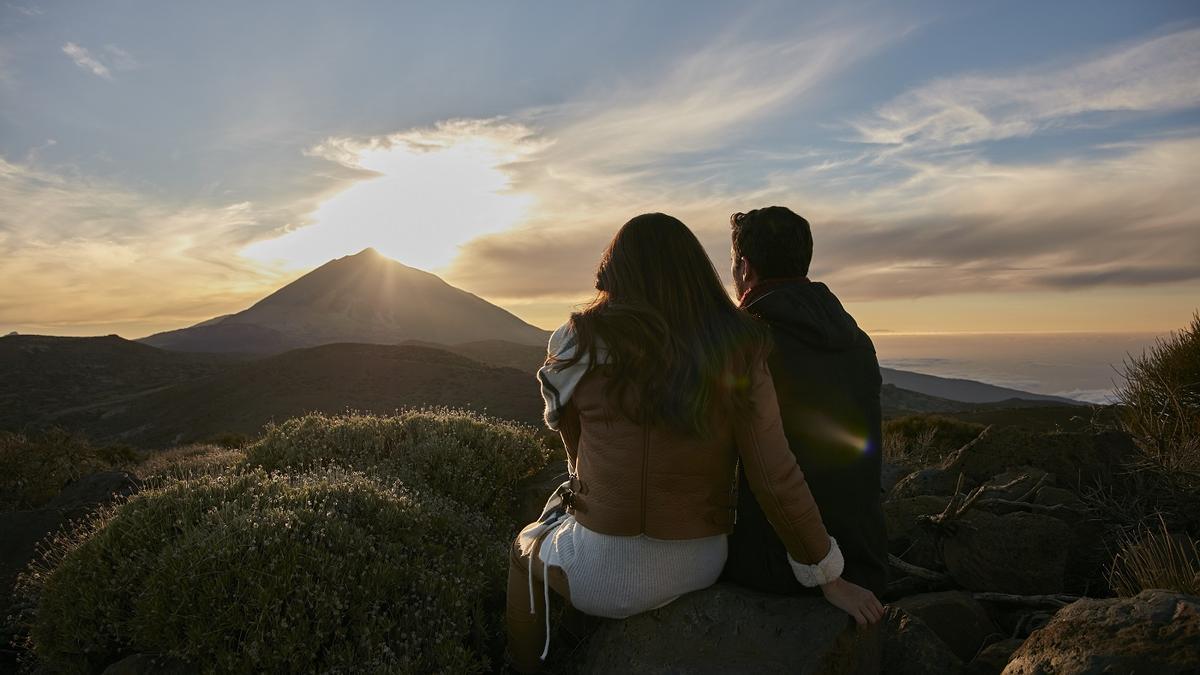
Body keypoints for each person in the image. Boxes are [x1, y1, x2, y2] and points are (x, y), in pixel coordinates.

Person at [506, 213, 884, 672]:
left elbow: (575, 453)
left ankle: (526, 665)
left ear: (615, 269)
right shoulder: (739, 346)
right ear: (698, 270)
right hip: (699, 562)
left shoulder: (575, 343)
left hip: (597, 572)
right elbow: (774, 474)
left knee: (525, 548)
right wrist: (828, 577)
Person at [723, 206, 890, 597]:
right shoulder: (855, 338)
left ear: (744, 268)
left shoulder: (745, 343)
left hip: (778, 564)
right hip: (863, 558)